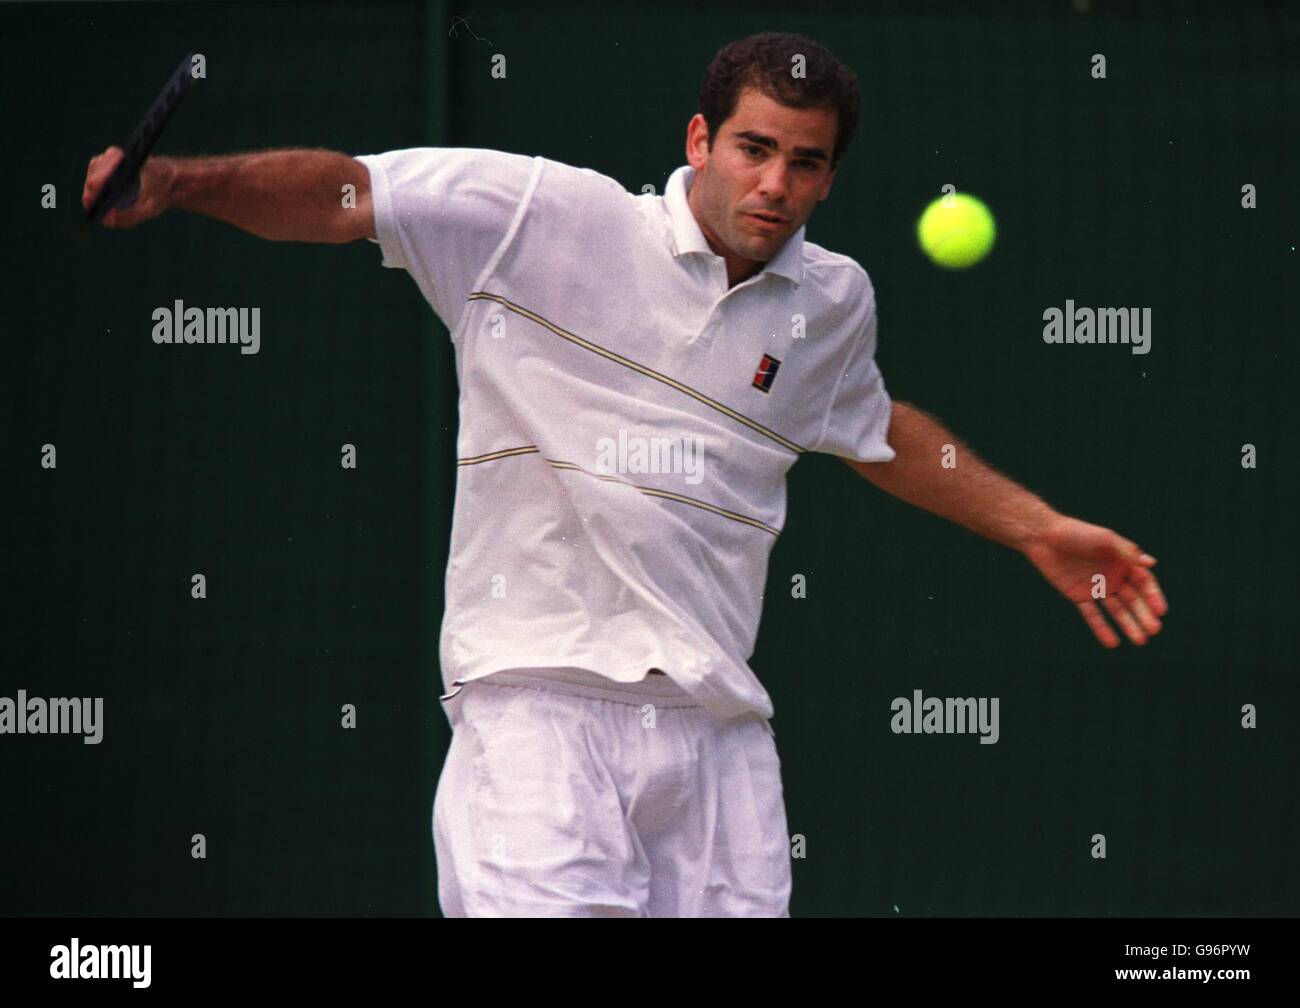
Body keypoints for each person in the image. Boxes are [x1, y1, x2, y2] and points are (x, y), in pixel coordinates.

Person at [81, 31, 1168, 917]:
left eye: (806, 162)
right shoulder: (539, 218)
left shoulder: (829, 305)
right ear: (698, 138)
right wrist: (179, 182)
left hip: (720, 746)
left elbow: (877, 432)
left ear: (832, 176)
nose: (774, 182)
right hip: (538, 718)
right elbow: (344, 196)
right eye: (753, 148)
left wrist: (1033, 526)